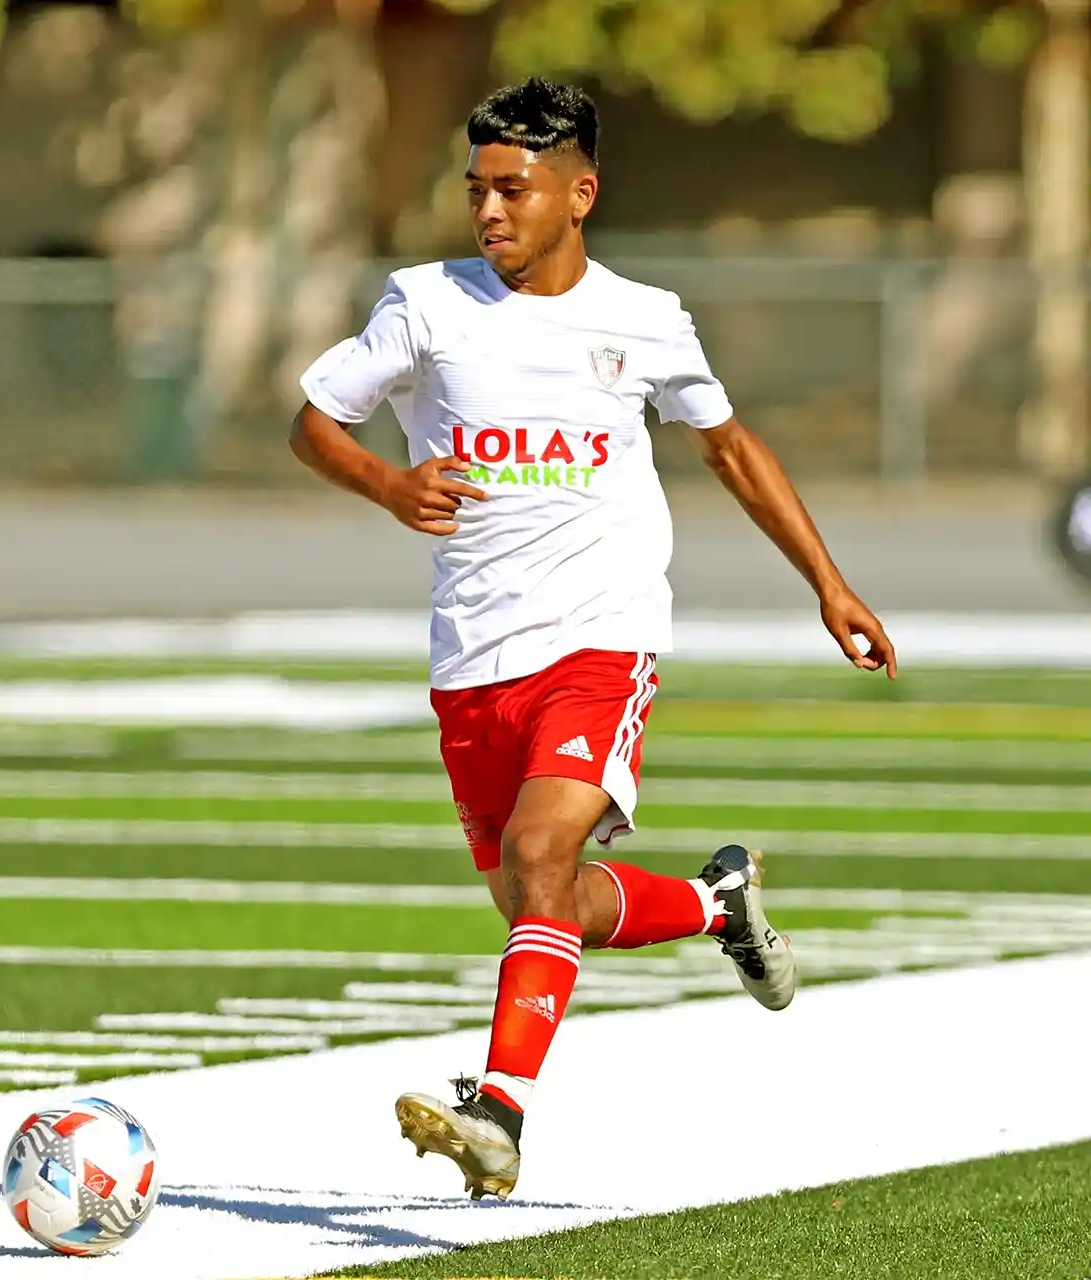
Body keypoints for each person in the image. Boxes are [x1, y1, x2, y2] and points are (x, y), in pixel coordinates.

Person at [290, 77, 896, 1200]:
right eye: (476, 188)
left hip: (602, 637)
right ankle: (719, 902)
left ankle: (498, 1113)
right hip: (474, 656)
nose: (487, 211)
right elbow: (315, 418)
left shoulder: (647, 319)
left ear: (581, 194)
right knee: (545, 902)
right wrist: (385, 481)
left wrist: (830, 582)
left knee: (541, 855)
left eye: (512, 188)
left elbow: (729, 448)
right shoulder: (424, 303)